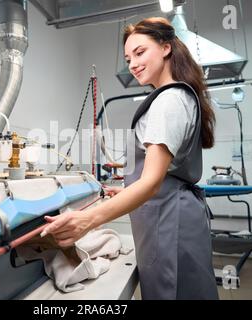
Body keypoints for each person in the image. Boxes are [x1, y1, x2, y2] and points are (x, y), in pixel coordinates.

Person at [41, 17, 219, 300]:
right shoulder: (176, 97)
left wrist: (86, 220)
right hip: (171, 215)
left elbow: (150, 184)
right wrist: (125, 190)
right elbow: (162, 176)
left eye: (140, 52)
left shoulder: (168, 101)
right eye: (128, 58)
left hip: (170, 222)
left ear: (165, 48)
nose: (133, 64)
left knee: (172, 292)